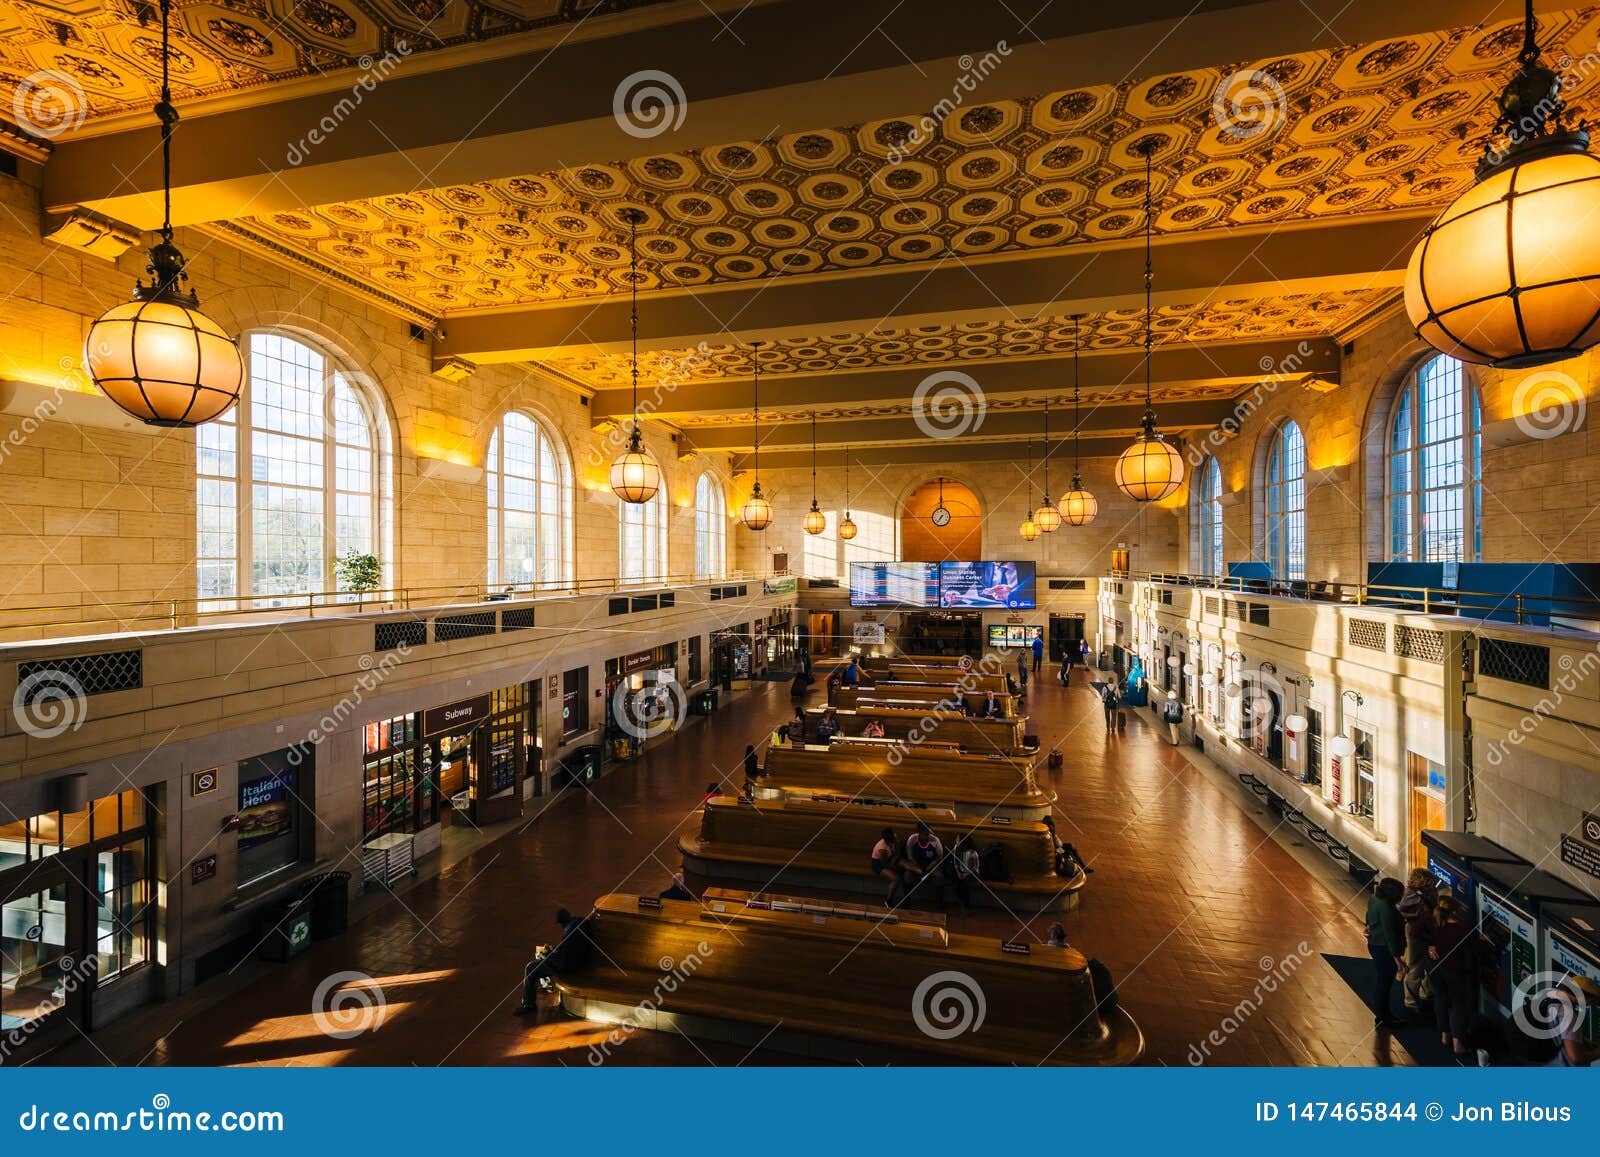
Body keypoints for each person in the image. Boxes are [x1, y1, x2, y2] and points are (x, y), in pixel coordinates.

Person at [1427, 894, 1484, 1055]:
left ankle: (1445, 1035)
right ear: (1455, 913)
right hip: (1455, 972)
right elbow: (1478, 950)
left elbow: (1421, 936)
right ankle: (1457, 1044)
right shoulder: (1463, 930)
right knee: (1458, 1005)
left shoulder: (1434, 924)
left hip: (1435, 969)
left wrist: (1430, 947)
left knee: (1441, 999)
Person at [516, 907, 590, 1013]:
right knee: (543, 959)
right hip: (579, 962)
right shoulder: (580, 923)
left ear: (561, 923)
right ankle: (545, 985)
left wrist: (547, 957)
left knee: (531, 967)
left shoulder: (569, 934)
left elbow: (564, 961)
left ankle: (528, 1005)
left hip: (571, 969)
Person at [1365, 877, 1406, 1029]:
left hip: (1375, 943)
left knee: (1382, 982)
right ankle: (1383, 1018)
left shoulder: (1374, 899)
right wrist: (1398, 959)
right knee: (1384, 984)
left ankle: (1384, 1016)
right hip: (1384, 948)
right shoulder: (1387, 909)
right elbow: (1390, 935)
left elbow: (1368, 916)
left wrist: (1368, 927)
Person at [1398, 868, 1439, 1019]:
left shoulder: (1431, 892)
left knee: (1428, 964)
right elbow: (1399, 911)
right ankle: (1411, 1002)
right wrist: (1413, 915)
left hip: (1429, 931)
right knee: (1415, 967)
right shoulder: (1409, 894)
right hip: (1415, 933)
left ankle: (1425, 993)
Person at [1545, 977, 1600, 1066]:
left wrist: (1579, 1038)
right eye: (1592, 1001)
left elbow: (1552, 1028)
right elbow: (1575, 1059)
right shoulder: (1568, 1014)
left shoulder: (1549, 997)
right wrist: (1596, 1053)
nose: (1589, 1004)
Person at [903, 823, 944, 901]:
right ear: (919, 833)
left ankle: (940, 901)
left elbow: (939, 857)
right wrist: (917, 867)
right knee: (907, 875)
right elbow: (910, 856)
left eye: (929, 833)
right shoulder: (913, 839)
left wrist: (928, 868)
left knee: (939, 877)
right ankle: (906, 899)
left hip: (931, 865)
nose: (927, 836)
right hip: (916, 864)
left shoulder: (934, 840)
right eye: (925, 834)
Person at [870, 827, 906, 906]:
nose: (892, 840)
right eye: (890, 840)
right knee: (896, 879)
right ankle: (888, 901)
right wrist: (894, 868)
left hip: (891, 859)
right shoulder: (882, 848)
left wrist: (894, 861)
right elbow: (884, 864)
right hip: (878, 864)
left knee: (905, 866)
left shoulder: (895, 838)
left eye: (892, 838)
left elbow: (898, 853)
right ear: (886, 840)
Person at [945, 835, 981, 913]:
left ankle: (965, 905)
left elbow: (976, 866)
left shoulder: (973, 852)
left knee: (965, 884)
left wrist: (965, 874)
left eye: (957, 839)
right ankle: (961, 903)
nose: (955, 840)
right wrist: (958, 873)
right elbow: (955, 863)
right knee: (956, 881)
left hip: (971, 872)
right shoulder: (956, 849)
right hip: (960, 871)